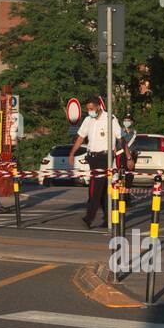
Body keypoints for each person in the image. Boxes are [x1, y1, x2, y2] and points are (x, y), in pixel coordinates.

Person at [68, 96, 124, 229]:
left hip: (104, 157)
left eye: (91, 109)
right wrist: (72, 153)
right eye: (88, 109)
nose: (90, 111)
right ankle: (109, 219)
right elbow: (81, 136)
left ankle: (89, 217)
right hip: (92, 157)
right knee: (103, 189)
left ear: (99, 106)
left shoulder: (110, 118)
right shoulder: (88, 120)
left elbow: (120, 137)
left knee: (95, 188)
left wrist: (126, 156)